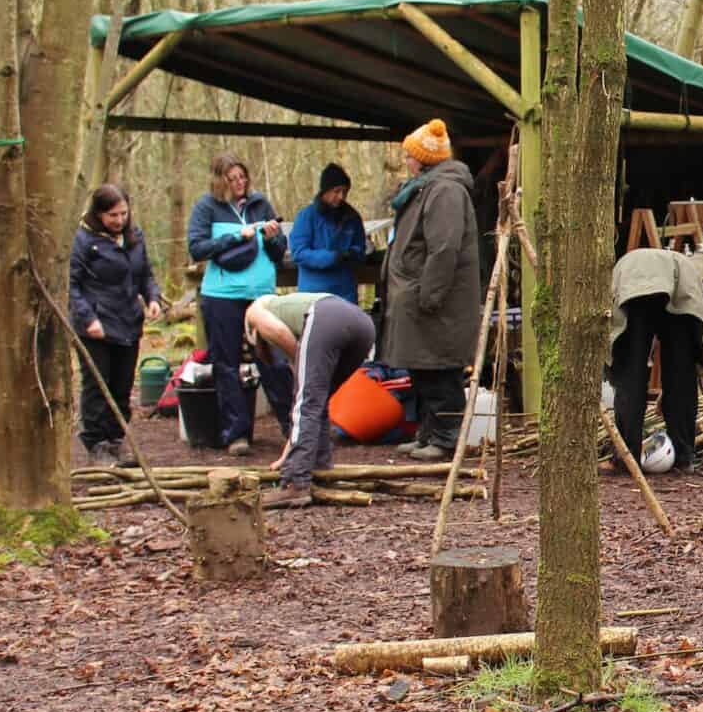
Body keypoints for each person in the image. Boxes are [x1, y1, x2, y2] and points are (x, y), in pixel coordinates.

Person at [379, 119, 482, 462]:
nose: (406, 161)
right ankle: (428, 432)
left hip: (438, 303)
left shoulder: (445, 192)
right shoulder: (425, 189)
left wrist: (430, 293)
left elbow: (444, 248)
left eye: (409, 155)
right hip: (418, 297)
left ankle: (447, 437)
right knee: (421, 369)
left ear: (423, 159)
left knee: (440, 371)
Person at [186, 153, 294, 457]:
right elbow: (196, 248)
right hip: (222, 295)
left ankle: (292, 425)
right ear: (219, 181)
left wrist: (273, 238)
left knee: (272, 358)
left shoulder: (260, 204)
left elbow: (278, 251)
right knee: (226, 363)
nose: (239, 184)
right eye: (232, 179)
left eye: (242, 177)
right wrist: (235, 237)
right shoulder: (206, 208)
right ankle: (237, 433)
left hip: (261, 294)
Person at [245, 291, 376, 508]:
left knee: (307, 402)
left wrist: (300, 367)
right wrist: (289, 451)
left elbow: (280, 334)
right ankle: (320, 470)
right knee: (317, 401)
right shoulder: (291, 311)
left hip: (327, 319)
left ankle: (294, 483)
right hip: (363, 325)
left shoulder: (255, 312)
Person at [67, 184, 165, 464]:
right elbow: (71, 285)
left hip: (128, 320)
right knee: (98, 384)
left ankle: (116, 440)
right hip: (96, 324)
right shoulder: (83, 240)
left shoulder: (134, 236)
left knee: (122, 384)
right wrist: (88, 318)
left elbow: (145, 273)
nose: (119, 220)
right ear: (99, 214)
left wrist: (152, 297)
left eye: (123, 213)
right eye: (112, 215)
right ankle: (96, 444)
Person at [608, 246, 703, 471]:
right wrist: (696, 368)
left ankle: (627, 458)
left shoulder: (624, 266)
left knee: (631, 373)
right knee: (681, 375)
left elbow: (618, 353)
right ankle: (684, 456)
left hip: (633, 290)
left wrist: (615, 368)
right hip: (673, 284)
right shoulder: (687, 271)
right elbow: (700, 336)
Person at [287, 162, 367, 300]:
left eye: (344, 191)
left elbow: (360, 248)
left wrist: (353, 253)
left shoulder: (352, 217)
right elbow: (299, 253)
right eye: (336, 191)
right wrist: (332, 257)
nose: (341, 196)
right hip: (314, 293)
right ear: (325, 190)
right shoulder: (306, 216)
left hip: (345, 293)